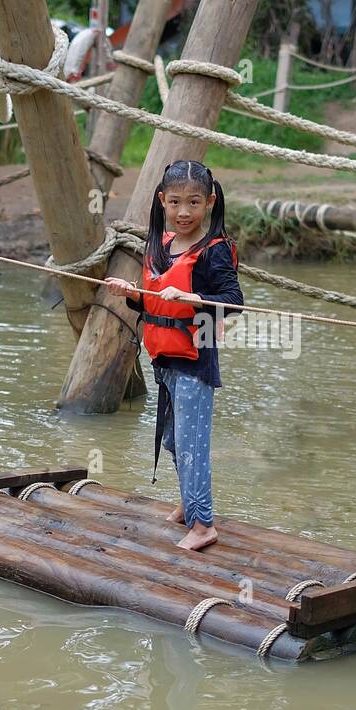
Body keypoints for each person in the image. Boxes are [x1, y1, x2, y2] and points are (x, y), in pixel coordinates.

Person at [103, 160, 242, 552]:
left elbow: (234, 302)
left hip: (195, 362)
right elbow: (154, 303)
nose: (184, 212)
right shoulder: (162, 245)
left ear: (210, 202)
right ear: (162, 200)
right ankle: (188, 502)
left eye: (195, 203)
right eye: (176, 202)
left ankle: (203, 525)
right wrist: (131, 292)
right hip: (164, 360)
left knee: (192, 444)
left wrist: (193, 298)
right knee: (173, 441)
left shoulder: (215, 251)